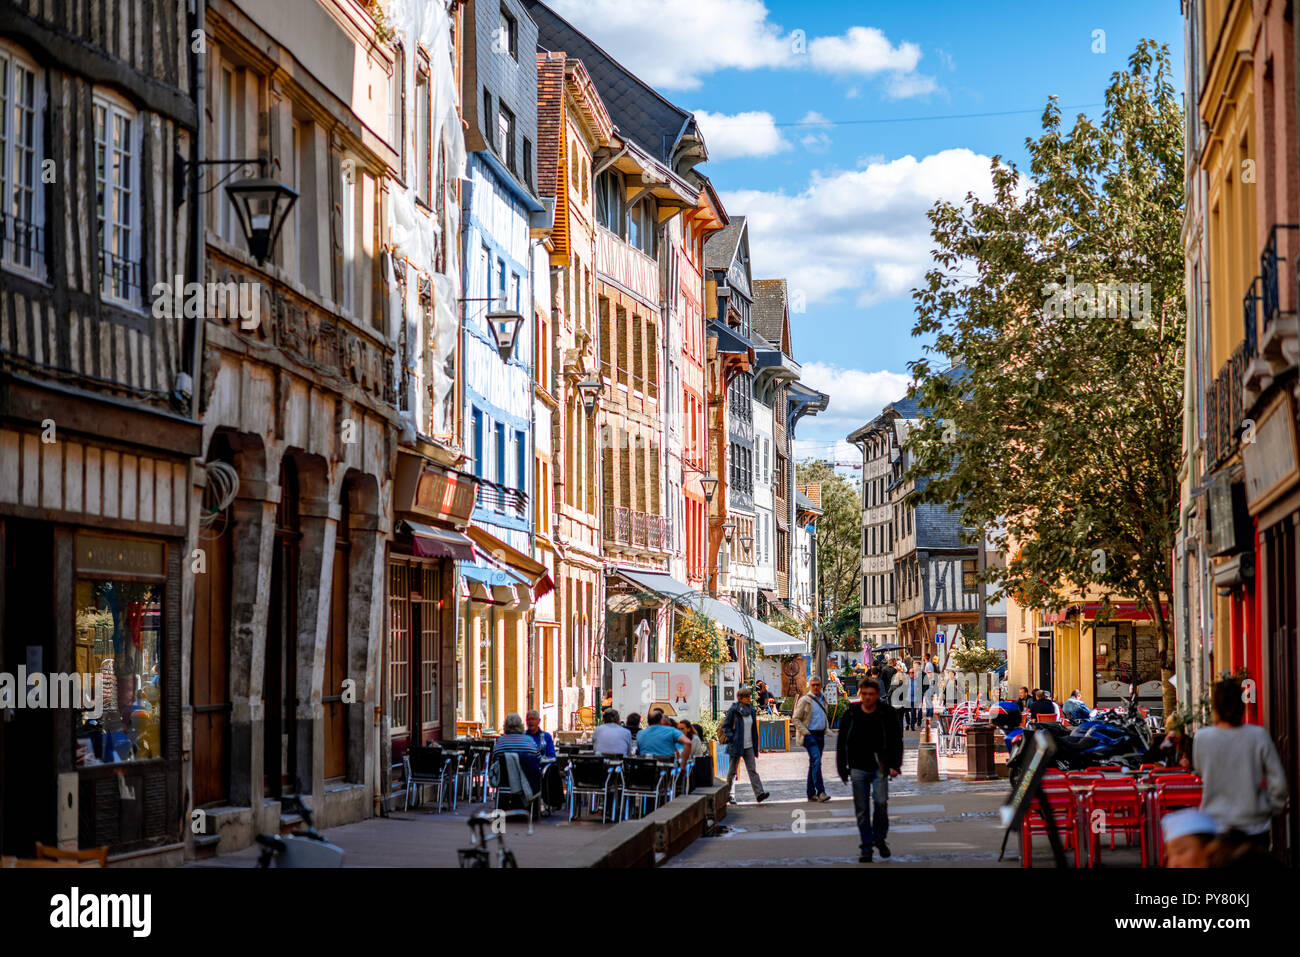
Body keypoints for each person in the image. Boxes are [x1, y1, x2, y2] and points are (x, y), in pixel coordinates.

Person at [1194, 678, 1289, 852]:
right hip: (1254, 825)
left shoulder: (1202, 738)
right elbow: (1279, 784)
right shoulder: (1258, 736)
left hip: (1216, 824)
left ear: (1215, 707)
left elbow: (1201, 772)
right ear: (1241, 704)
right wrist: (1269, 809)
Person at [836, 678, 902, 863]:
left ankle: (879, 838)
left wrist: (895, 765)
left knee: (881, 803)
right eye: (864, 694)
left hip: (880, 766)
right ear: (859, 694)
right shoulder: (852, 713)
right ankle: (866, 847)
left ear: (877, 695)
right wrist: (842, 767)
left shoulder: (886, 713)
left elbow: (896, 739)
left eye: (871, 694)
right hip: (857, 767)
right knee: (862, 810)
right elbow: (842, 742)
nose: (867, 698)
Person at [720, 687, 770, 803]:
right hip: (736, 745)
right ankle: (729, 795)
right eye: (746, 697)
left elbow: (753, 729)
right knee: (732, 771)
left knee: (752, 770)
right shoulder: (734, 710)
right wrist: (733, 737)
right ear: (740, 698)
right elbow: (725, 726)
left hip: (749, 746)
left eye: (749, 696)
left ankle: (759, 794)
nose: (749, 699)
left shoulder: (751, 711)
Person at [792, 675, 831, 803]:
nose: (815, 687)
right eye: (813, 685)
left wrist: (826, 728)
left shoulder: (823, 698)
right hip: (810, 735)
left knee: (814, 763)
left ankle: (810, 793)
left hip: (820, 735)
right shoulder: (805, 700)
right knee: (816, 760)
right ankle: (821, 792)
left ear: (821, 685)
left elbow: (823, 715)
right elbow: (795, 718)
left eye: (817, 685)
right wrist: (805, 732)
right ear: (810, 685)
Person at [492, 712, 543, 792]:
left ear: (505, 726)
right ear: (521, 725)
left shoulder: (500, 742)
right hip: (527, 782)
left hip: (504, 780)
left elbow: (495, 760)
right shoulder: (529, 741)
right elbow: (538, 760)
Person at [903, 666, 923, 731]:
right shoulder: (906, 680)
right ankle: (908, 723)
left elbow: (920, 689)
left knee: (913, 712)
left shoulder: (917, 680)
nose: (911, 674)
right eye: (910, 672)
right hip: (907, 699)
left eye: (913, 672)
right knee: (906, 713)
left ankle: (912, 726)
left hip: (914, 699)